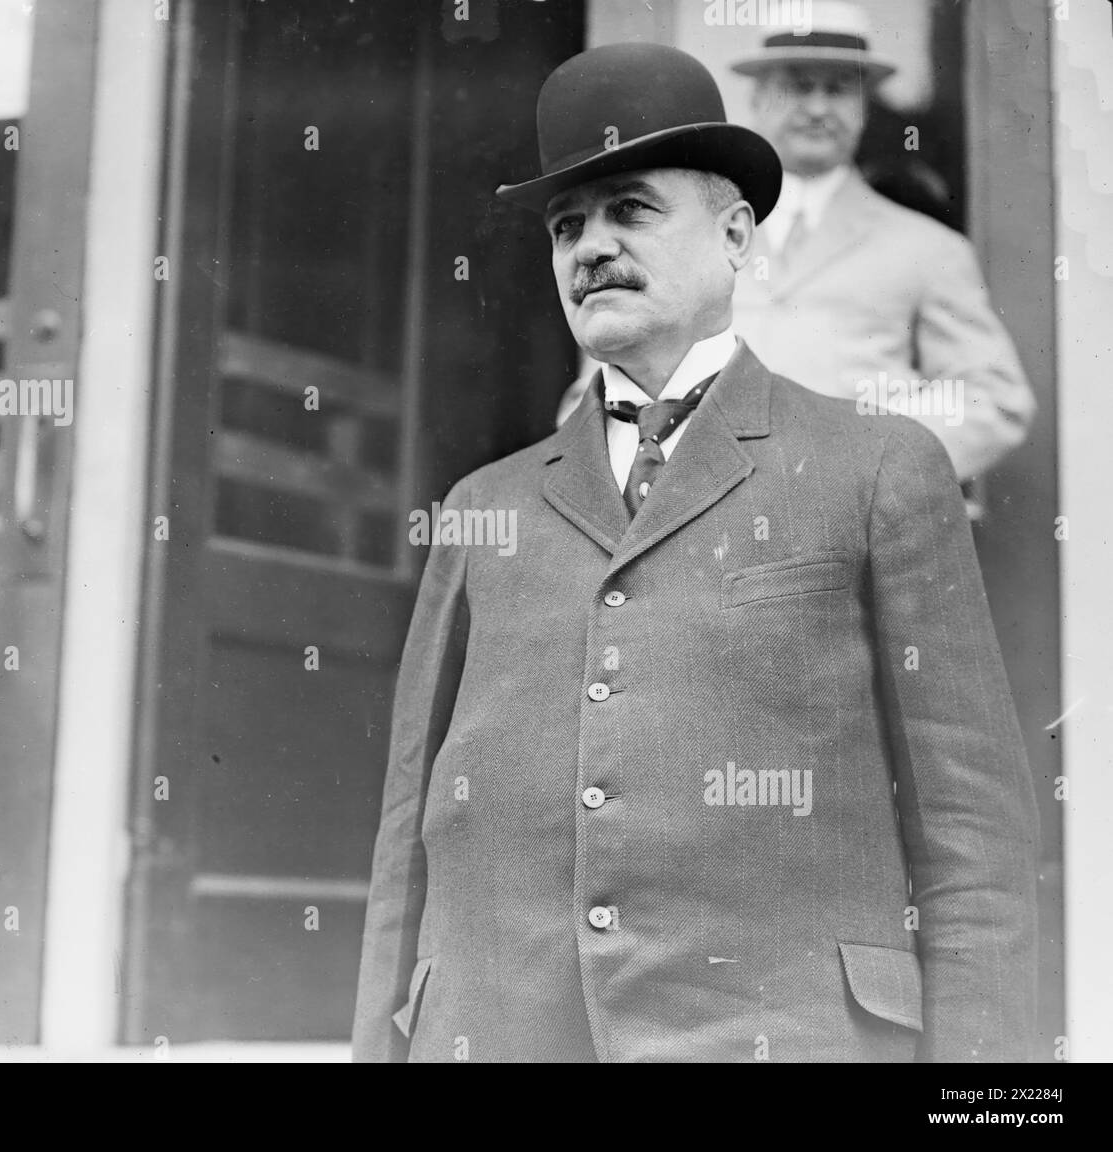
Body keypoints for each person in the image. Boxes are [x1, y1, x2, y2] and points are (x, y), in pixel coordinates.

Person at [353, 42, 1039, 1063]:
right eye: (565, 227)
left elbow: (971, 840)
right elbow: (408, 832)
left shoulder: (879, 470)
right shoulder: (481, 507)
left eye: (628, 210)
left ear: (732, 238)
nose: (589, 247)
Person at [557, 3, 1035, 486]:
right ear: (760, 98)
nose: (818, 108)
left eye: (839, 89)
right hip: (704, 523)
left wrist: (869, 465)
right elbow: (598, 391)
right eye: (799, 86)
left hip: (850, 531)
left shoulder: (928, 247)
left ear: (864, 107)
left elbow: (992, 400)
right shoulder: (686, 236)